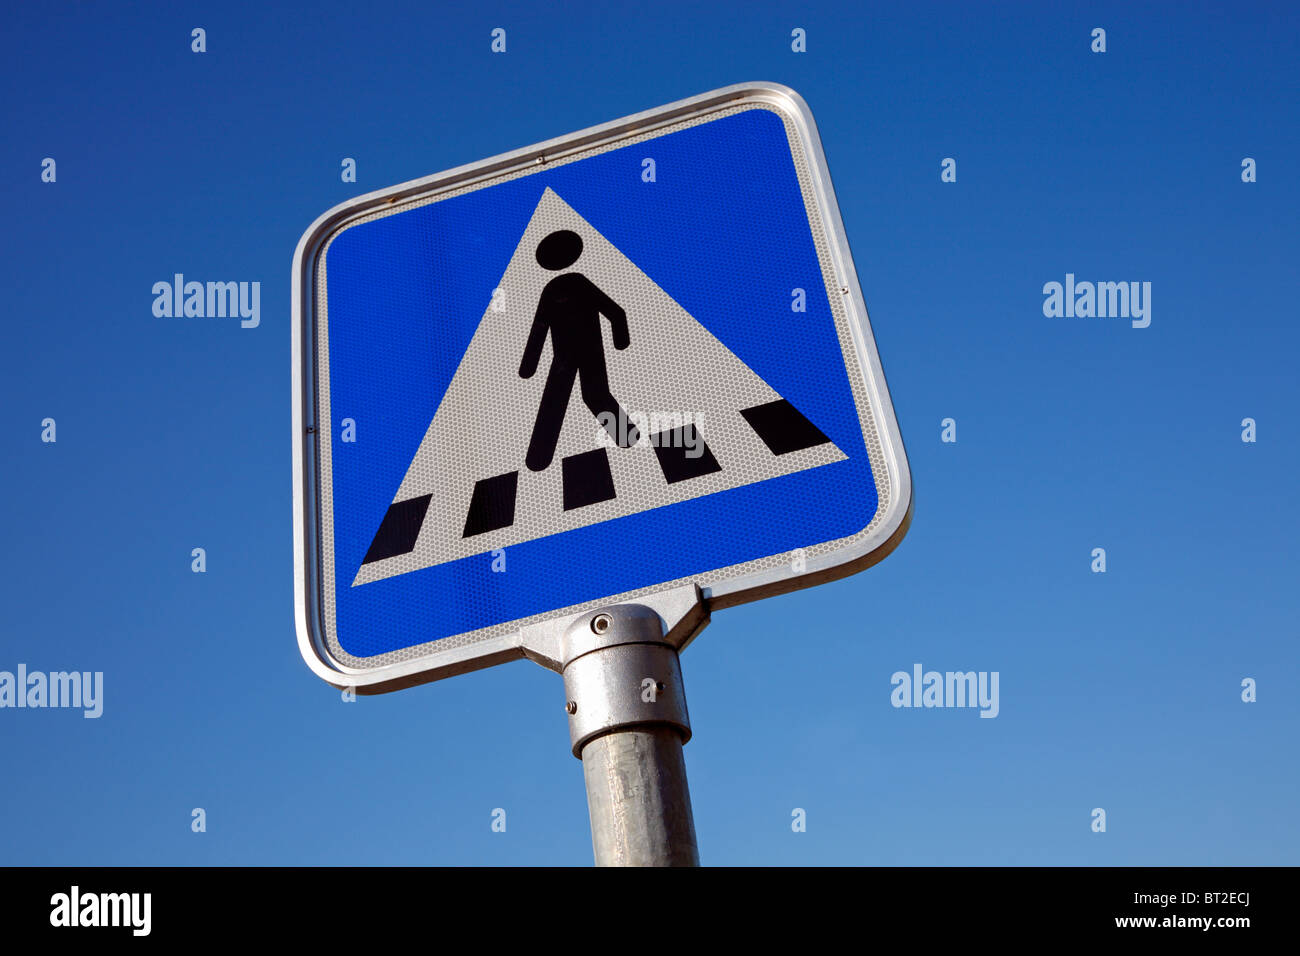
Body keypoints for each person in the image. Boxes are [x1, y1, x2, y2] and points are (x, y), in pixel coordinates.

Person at [519, 229, 639, 472]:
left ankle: (626, 437)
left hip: (586, 351)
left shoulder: (575, 283)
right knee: (562, 398)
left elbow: (613, 311)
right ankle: (538, 458)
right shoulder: (554, 289)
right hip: (564, 356)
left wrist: (621, 338)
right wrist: (528, 366)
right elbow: (539, 327)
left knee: (591, 395)